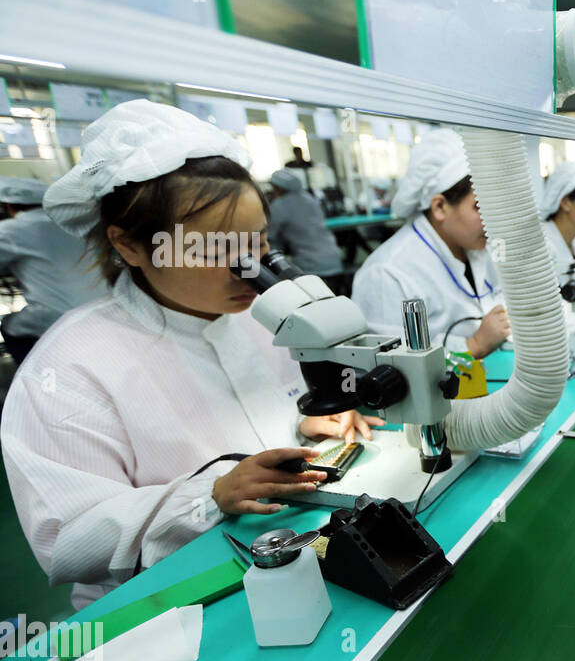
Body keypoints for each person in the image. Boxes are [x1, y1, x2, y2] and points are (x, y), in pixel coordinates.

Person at [0, 100, 380, 611]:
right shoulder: (69, 366)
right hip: (167, 607)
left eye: (257, 241)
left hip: (287, 557)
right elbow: (68, 542)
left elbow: (256, 425)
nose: (249, 268)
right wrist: (209, 496)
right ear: (129, 246)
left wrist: (307, 424)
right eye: (214, 248)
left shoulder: (258, 317)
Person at [351, 128, 509, 358]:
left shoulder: (477, 247)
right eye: (479, 207)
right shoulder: (387, 274)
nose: (491, 218)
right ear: (440, 207)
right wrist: (474, 345)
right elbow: (389, 362)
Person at [0, 177, 109, 365]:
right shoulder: (73, 223)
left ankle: (33, 374)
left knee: (10, 326)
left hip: (61, 314)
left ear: (9, 206)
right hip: (106, 306)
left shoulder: (12, 230)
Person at [266, 168, 344, 275]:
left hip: (311, 265)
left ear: (278, 187)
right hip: (334, 259)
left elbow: (269, 236)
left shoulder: (279, 205)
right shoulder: (311, 199)